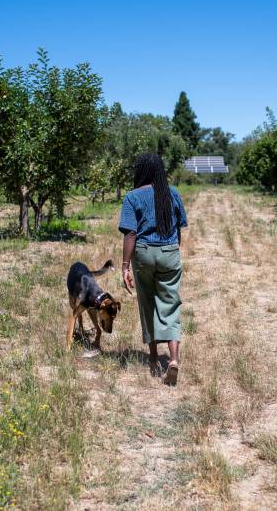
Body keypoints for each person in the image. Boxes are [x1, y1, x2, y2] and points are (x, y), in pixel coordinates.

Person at [118, 153, 188, 386]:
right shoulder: (173, 193)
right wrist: (172, 251)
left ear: (141, 171)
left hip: (144, 254)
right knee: (169, 304)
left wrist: (125, 266)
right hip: (169, 252)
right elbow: (178, 228)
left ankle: (154, 357)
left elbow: (130, 233)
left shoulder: (132, 197)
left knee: (147, 303)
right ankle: (174, 359)